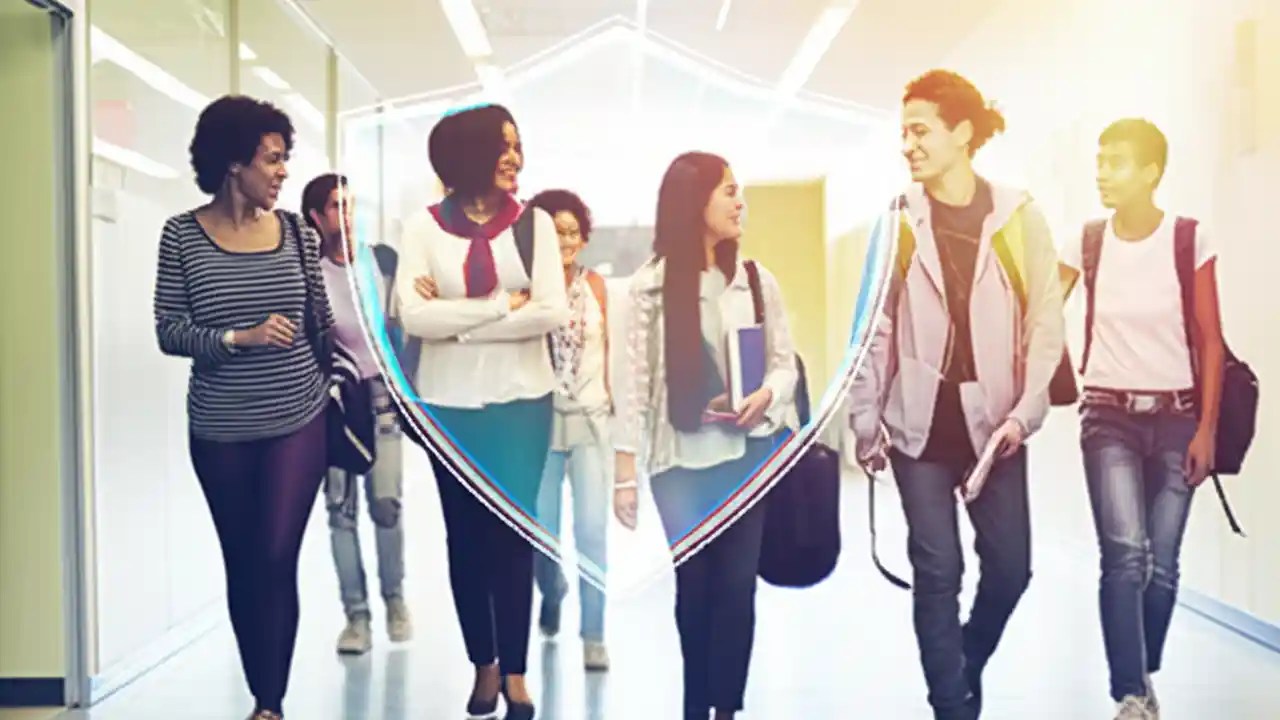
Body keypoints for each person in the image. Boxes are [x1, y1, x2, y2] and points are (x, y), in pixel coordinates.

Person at [848, 70, 1065, 720]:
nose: (907, 145)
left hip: (996, 428)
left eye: (921, 130)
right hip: (918, 429)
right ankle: (952, 705)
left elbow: (1045, 323)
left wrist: (1024, 417)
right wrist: (865, 420)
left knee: (1010, 570)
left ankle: (965, 662)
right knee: (938, 574)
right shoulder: (897, 222)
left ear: (963, 133)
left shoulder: (1020, 218)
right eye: (904, 132)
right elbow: (874, 326)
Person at [152, 95, 332, 720]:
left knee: (277, 554)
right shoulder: (180, 235)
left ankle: (269, 704)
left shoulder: (297, 234)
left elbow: (320, 323)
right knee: (244, 559)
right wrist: (238, 337)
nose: (283, 172)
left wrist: (342, 382)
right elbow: (170, 330)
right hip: (221, 426)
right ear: (234, 164)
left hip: (297, 418)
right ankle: (263, 689)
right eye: (273, 159)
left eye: (286, 160)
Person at [395, 103, 568, 720]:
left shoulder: (535, 224)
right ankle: (484, 667)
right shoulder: (421, 228)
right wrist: (498, 308)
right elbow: (413, 317)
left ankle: (518, 674)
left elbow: (552, 311)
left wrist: (456, 321)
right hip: (450, 408)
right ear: (469, 152)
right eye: (502, 145)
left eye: (518, 145)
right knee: (465, 540)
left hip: (523, 402)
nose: (514, 157)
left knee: (514, 537)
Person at [613, 151, 800, 720]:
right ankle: (697, 705)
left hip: (745, 458)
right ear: (694, 203)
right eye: (728, 191)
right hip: (677, 465)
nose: (740, 201)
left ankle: (727, 708)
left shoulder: (755, 280)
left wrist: (765, 395)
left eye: (739, 189)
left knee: (738, 589)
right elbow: (634, 387)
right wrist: (625, 477)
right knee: (694, 593)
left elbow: (784, 364)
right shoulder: (649, 289)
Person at [1058, 119, 1225, 720]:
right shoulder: (1086, 241)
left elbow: (1210, 341)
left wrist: (1207, 428)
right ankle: (1131, 694)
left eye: (1118, 162)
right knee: (1125, 553)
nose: (1102, 171)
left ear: (1152, 171)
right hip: (1107, 416)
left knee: (1162, 564)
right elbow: (1040, 314)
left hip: (1179, 419)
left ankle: (1142, 669)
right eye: (1099, 160)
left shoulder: (1188, 238)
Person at [301, 172, 413, 656]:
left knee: (385, 504)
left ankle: (395, 599)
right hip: (337, 404)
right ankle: (357, 617)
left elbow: (406, 325)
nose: (344, 215)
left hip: (383, 398)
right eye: (333, 206)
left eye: (350, 205)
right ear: (315, 217)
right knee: (340, 513)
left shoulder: (381, 262)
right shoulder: (306, 274)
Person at [525, 189, 614, 671]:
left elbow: (614, 360)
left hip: (590, 424)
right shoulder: (531, 290)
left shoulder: (598, 287)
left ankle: (594, 633)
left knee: (593, 531)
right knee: (542, 534)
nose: (565, 240)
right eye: (555, 231)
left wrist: (623, 442)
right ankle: (552, 588)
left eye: (572, 231)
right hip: (541, 426)